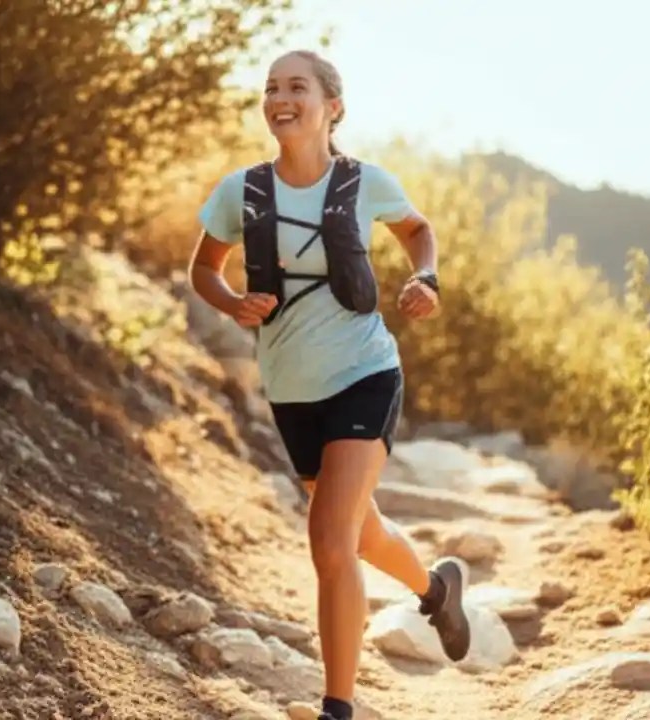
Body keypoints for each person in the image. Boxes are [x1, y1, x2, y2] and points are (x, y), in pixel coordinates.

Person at [188, 49, 471, 720]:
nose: (281, 97)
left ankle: (337, 708)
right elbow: (204, 268)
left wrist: (424, 278)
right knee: (361, 534)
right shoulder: (242, 192)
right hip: (291, 391)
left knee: (328, 542)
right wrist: (232, 304)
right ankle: (437, 590)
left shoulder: (363, 182)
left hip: (364, 374)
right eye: (272, 88)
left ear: (331, 107)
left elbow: (418, 230)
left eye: (297, 87)